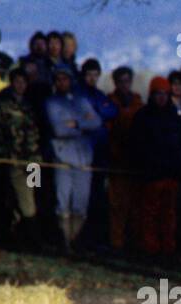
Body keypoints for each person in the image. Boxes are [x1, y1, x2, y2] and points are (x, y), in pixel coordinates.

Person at [45, 65, 102, 251]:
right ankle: (65, 242)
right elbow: (58, 129)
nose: (62, 82)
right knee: (62, 202)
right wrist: (83, 126)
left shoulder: (82, 101)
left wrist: (76, 123)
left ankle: (75, 241)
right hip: (62, 157)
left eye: (65, 79)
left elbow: (96, 122)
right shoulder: (51, 103)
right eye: (58, 79)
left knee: (81, 203)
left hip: (84, 158)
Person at [130, 76, 181, 256]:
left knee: (169, 213)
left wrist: (179, 168)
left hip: (171, 175)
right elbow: (137, 146)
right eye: (158, 94)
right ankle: (150, 248)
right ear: (152, 95)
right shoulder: (143, 116)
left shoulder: (174, 117)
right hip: (152, 175)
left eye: (165, 93)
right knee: (150, 212)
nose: (162, 97)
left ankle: (168, 248)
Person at [0, 68, 41, 247]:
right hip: (13, 159)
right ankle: (22, 236)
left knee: (33, 192)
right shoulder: (4, 104)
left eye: (24, 82)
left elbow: (36, 132)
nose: (21, 85)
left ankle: (29, 235)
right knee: (15, 197)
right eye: (18, 81)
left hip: (33, 161)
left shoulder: (30, 104)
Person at [75, 57, 118, 250]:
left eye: (95, 75)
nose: (92, 78)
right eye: (89, 75)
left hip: (100, 154)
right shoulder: (77, 94)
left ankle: (94, 239)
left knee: (97, 198)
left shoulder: (100, 95)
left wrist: (93, 115)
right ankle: (78, 238)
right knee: (81, 197)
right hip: (83, 153)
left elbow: (112, 111)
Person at [105, 65, 141, 251]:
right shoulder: (109, 103)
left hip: (135, 160)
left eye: (127, 81)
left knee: (135, 204)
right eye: (121, 81)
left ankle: (134, 242)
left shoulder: (138, 103)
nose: (125, 85)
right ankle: (116, 242)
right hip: (117, 160)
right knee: (117, 204)